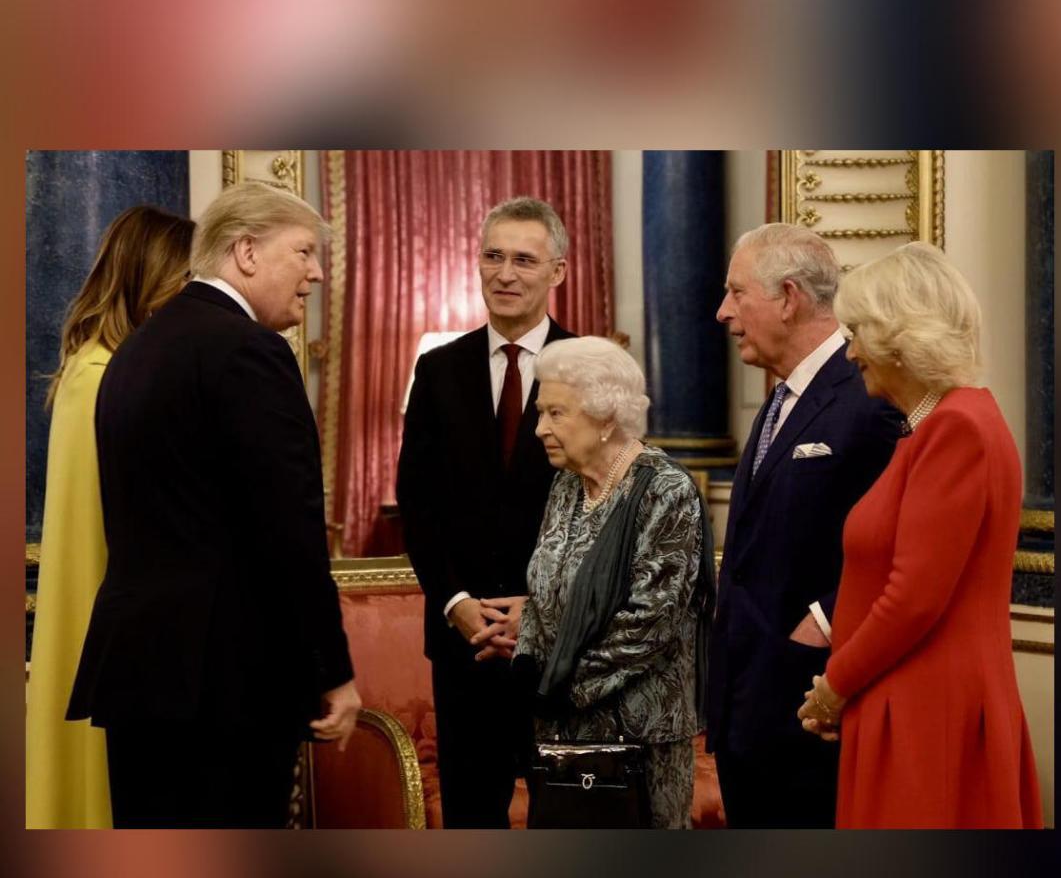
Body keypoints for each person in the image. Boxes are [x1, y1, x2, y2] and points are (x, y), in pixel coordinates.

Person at [67, 181, 361, 828]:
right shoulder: (250, 351)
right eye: (305, 252)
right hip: (228, 684)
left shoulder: (132, 352)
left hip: (139, 671)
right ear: (247, 252)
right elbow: (290, 532)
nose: (316, 273)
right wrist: (332, 671)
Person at [797, 243, 1044, 829]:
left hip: (929, 710)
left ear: (899, 339)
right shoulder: (937, 426)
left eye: (859, 332)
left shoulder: (958, 427)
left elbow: (914, 597)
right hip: (904, 698)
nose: (852, 350)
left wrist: (835, 685)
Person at [707, 223, 903, 828]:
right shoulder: (779, 398)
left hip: (812, 708)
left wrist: (824, 619)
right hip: (747, 707)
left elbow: (902, 538)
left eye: (737, 294)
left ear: (788, 298)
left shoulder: (868, 393)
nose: (723, 313)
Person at [396, 197, 575, 828]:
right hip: (464, 640)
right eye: (493, 256)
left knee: (571, 820)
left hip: (563, 645)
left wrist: (545, 607)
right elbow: (416, 504)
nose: (505, 273)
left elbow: (615, 514)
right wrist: (455, 602)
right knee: (473, 819)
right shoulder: (438, 368)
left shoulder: (591, 366)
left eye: (524, 260)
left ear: (556, 271)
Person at [27, 206, 196, 828]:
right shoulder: (111, 376)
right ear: (150, 280)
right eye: (185, 283)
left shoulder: (88, 367)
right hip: (114, 600)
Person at [514, 337, 715, 830]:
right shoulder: (566, 484)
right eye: (541, 412)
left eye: (556, 414)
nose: (541, 428)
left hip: (640, 733)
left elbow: (651, 622)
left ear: (606, 419)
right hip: (558, 726)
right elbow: (543, 592)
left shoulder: (666, 490)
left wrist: (562, 685)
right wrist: (527, 665)